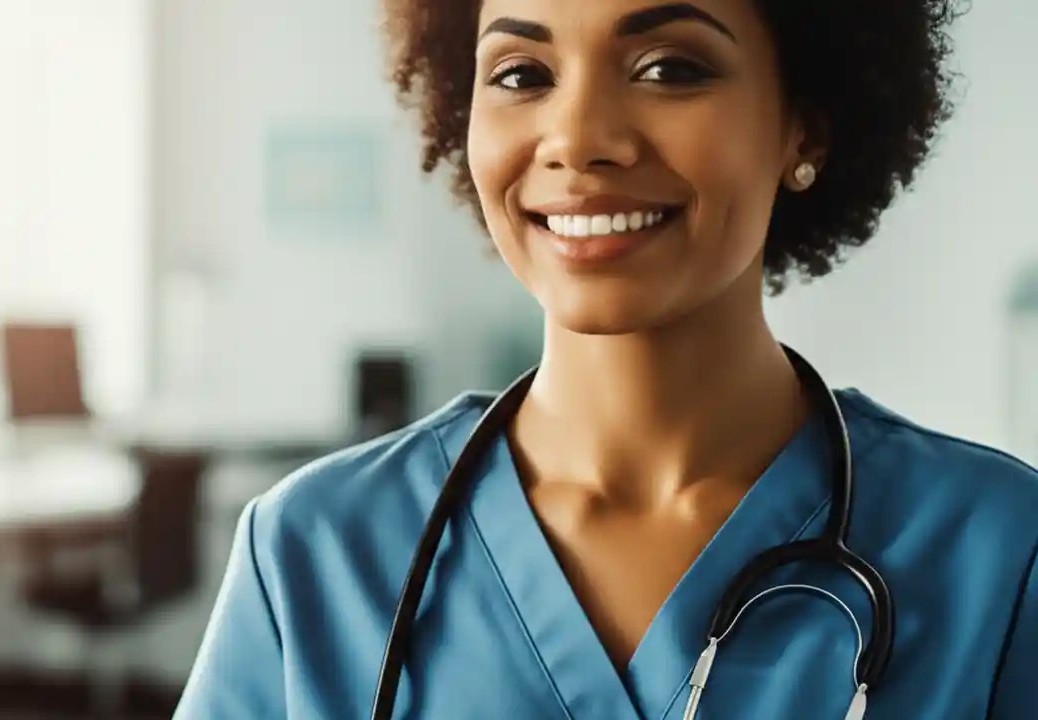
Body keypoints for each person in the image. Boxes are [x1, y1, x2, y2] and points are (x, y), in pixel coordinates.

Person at [175, 0, 1038, 717]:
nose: (578, 137)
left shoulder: (999, 552)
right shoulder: (312, 553)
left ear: (803, 128)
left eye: (670, 68)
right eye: (522, 75)